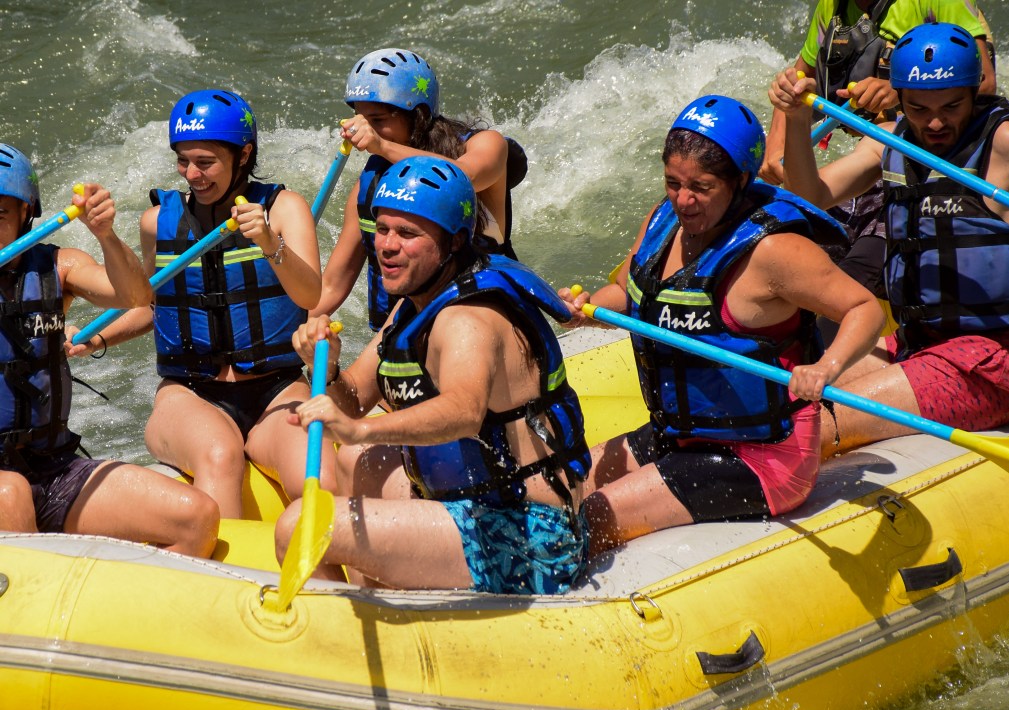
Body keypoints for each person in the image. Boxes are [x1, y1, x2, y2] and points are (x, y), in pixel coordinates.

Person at [559, 97, 884, 552]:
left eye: (702, 187)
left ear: (741, 181)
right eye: (673, 182)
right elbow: (632, 296)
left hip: (762, 457)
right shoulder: (660, 220)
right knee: (555, 488)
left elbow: (863, 308)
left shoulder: (774, 252)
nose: (684, 200)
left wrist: (827, 368)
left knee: (591, 516)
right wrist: (586, 310)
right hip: (678, 435)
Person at [275, 156, 590, 593]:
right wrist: (324, 368)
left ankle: (341, 624)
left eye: (407, 234)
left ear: (454, 243)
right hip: (471, 504)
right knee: (361, 458)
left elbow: (463, 412)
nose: (386, 246)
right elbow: (354, 399)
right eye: (382, 229)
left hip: (528, 536)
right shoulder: (414, 304)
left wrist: (359, 429)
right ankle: (373, 599)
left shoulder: (466, 319)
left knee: (297, 526)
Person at [769, 22, 1009, 457]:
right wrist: (794, 120)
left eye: (952, 105)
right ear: (901, 98)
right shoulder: (891, 142)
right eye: (920, 108)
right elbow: (809, 196)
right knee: (772, 399)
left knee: (808, 427)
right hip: (915, 346)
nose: (937, 122)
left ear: (974, 90)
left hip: (989, 363)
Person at [77, 89, 330, 518]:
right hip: (189, 393)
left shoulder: (284, 209)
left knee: (318, 473)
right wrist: (94, 338)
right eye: (183, 161)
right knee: (220, 455)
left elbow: (309, 296)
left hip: (275, 387)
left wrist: (271, 243)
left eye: (206, 163)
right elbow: (154, 305)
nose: (192, 174)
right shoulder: (158, 222)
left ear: (244, 154)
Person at [0, 143, 219, 554]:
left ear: (26, 216)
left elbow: (135, 296)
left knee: (197, 518)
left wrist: (105, 234)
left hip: (53, 470)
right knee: (10, 494)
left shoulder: (58, 266)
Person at [760, 0, 995, 316]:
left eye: (946, 109)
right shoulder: (832, 7)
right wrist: (787, 130)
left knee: (842, 283)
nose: (936, 120)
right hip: (878, 158)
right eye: (920, 107)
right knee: (787, 251)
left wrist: (901, 92)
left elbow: (984, 82)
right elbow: (796, 77)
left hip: (938, 164)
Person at [318, 47, 527, 331]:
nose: (365, 130)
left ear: (418, 116)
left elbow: (458, 178)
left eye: (378, 120)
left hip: (481, 323)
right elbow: (332, 285)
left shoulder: (487, 144)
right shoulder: (369, 187)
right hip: (406, 333)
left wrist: (383, 146)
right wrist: (301, 327)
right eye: (360, 118)